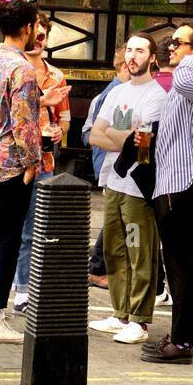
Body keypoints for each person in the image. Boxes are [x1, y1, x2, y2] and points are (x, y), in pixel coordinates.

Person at [0, 1, 65, 345]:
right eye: (35, 24)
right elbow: (24, 123)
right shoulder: (22, 70)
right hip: (7, 166)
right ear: (26, 29)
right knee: (5, 241)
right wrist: (33, 162)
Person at [141, 22, 193, 364]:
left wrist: (192, 61)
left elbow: (185, 79)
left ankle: (184, 342)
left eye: (177, 42)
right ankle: (178, 335)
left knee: (182, 266)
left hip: (184, 183)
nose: (169, 47)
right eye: (169, 42)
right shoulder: (186, 82)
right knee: (174, 265)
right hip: (171, 182)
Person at [87, 33, 166, 345]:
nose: (133, 56)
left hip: (137, 187)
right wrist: (125, 137)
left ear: (152, 58)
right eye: (130, 50)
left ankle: (139, 321)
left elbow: (143, 145)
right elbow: (95, 135)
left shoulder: (156, 96)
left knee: (139, 251)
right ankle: (120, 314)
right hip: (112, 181)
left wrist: (120, 137)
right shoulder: (117, 91)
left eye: (140, 51)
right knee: (114, 250)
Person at [11, 13, 72, 315]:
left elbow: (64, 118)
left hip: (44, 161)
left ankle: (23, 289)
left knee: (31, 230)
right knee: (9, 225)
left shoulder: (57, 76)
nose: (38, 41)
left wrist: (59, 132)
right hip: (13, 162)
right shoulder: (12, 69)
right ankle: (8, 280)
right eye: (35, 34)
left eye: (43, 36)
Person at [82, 51, 128, 289]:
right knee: (116, 217)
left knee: (118, 218)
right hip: (112, 163)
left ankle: (101, 266)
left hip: (113, 162)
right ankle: (97, 267)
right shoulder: (114, 94)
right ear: (123, 68)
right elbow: (91, 134)